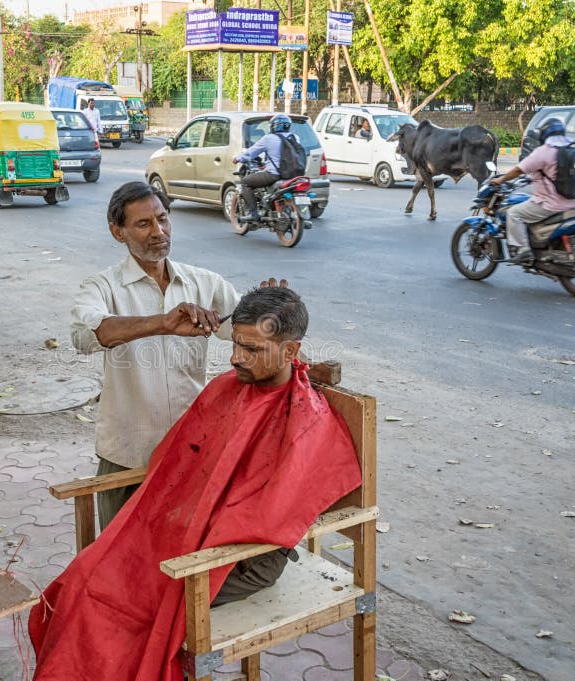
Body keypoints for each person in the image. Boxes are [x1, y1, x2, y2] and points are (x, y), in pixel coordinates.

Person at [30, 286, 363, 681]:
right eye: (236, 344)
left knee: (125, 605)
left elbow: (269, 518)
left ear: (291, 352)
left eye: (252, 350)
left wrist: (187, 541)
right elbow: (177, 467)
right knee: (81, 580)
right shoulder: (227, 388)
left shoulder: (306, 419)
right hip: (186, 533)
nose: (236, 357)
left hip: (238, 559)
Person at [71, 181, 240, 531]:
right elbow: (88, 335)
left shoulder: (204, 283)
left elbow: (241, 327)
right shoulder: (102, 287)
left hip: (190, 449)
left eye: (162, 219)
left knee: (182, 549)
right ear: (118, 232)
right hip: (127, 453)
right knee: (119, 554)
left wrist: (271, 311)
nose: (158, 231)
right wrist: (161, 323)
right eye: (143, 224)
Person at [490, 117, 575, 264]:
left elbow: (519, 170)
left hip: (550, 205)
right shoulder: (572, 149)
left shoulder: (544, 151)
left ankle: (523, 250)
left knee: (514, 213)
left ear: (544, 134)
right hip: (573, 203)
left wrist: (501, 180)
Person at [232, 113, 293, 221]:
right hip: (293, 174)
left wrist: (238, 159)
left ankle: (253, 213)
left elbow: (251, 152)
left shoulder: (269, 138)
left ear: (274, 126)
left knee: (246, 182)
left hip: (274, 175)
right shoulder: (294, 137)